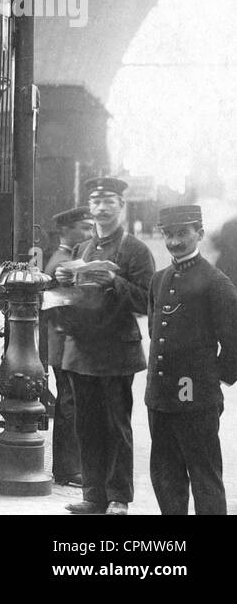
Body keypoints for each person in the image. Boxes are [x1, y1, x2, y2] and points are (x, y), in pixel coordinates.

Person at [56, 176, 154, 515]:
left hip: (116, 353)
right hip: (83, 351)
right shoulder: (83, 250)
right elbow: (73, 301)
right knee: (87, 426)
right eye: (96, 202)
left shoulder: (136, 250)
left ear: (121, 207)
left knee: (116, 426)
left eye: (109, 201)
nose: (101, 208)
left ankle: (118, 498)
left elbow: (146, 301)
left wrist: (115, 281)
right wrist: (66, 281)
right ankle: (93, 495)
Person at [146, 205, 237, 515]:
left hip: (197, 399)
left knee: (204, 476)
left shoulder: (216, 282)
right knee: (165, 475)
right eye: (168, 234)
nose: (174, 241)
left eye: (182, 233)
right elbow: (154, 330)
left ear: (199, 233)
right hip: (160, 396)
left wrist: (215, 378)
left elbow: (234, 341)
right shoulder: (159, 279)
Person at [43, 206, 93, 488]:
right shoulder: (63, 263)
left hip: (65, 344)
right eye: (83, 228)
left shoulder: (67, 258)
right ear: (65, 230)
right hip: (64, 345)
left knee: (69, 402)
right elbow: (61, 308)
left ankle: (69, 467)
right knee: (69, 404)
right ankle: (68, 469)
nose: (88, 233)